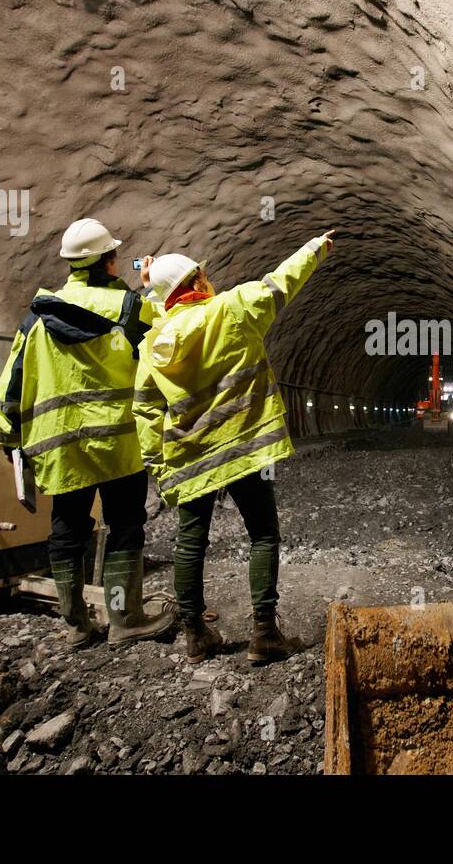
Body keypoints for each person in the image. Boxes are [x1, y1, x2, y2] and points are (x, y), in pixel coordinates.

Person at [133, 231, 335, 664]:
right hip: (245, 450)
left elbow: (146, 413)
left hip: (191, 459)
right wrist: (314, 248)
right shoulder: (234, 308)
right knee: (262, 534)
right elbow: (281, 283)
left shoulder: (152, 345)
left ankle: (195, 634)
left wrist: (159, 467)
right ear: (199, 281)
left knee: (191, 544)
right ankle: (264, 633)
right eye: (202, 274)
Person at [0, 217, 174, 648]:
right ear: (110, 263)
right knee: (125, 525)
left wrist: (8, 436)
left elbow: (10, 383)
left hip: (62, 448)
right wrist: (150, 285)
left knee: (67, 530)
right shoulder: (130, 308)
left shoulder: (38, 317)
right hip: (118, 445)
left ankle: (75, 627)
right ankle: (126, 619)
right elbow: (173, 331)